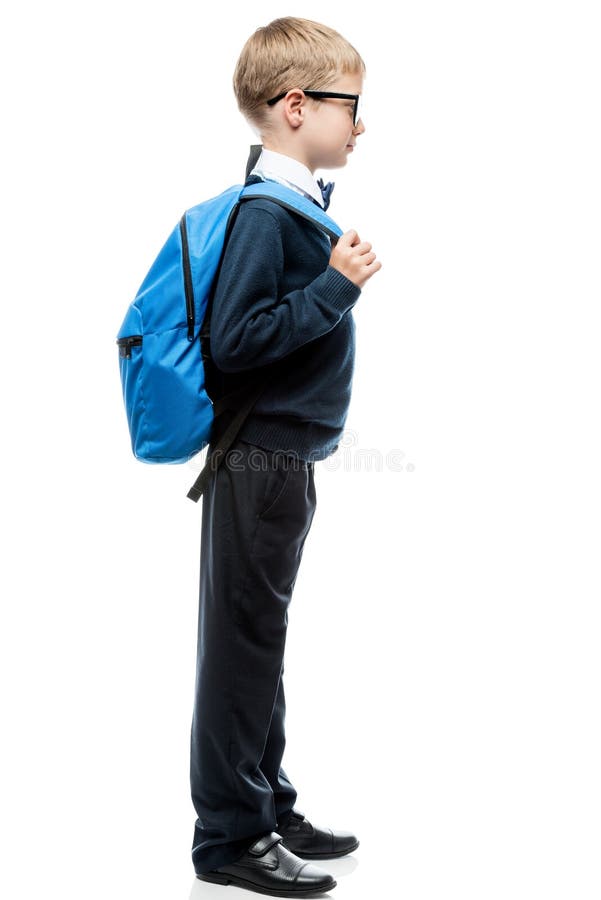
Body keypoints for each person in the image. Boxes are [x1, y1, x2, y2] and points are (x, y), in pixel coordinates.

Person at [190, 16, 382, 896]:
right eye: (353, 105)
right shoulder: (271, 211)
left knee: (258, 638)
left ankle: (262, 801)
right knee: (243, 645)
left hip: (276, 459)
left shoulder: (287, 201)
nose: (363, 123)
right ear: (297, 106)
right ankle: (229, 836)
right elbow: (236, 342)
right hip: (259, 458)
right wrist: (334, 288)